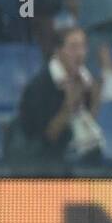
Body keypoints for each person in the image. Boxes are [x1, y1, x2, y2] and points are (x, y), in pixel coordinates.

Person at [11, 25, 104, 171]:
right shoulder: (40, 86)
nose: (80, 53)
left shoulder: (86, 81)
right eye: (73, 47)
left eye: (83, 47)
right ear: (58, 51)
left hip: (80, 157)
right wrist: (68, 107)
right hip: (45, 165)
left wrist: (95, 99)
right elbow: (46, 137)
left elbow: (88, 122)